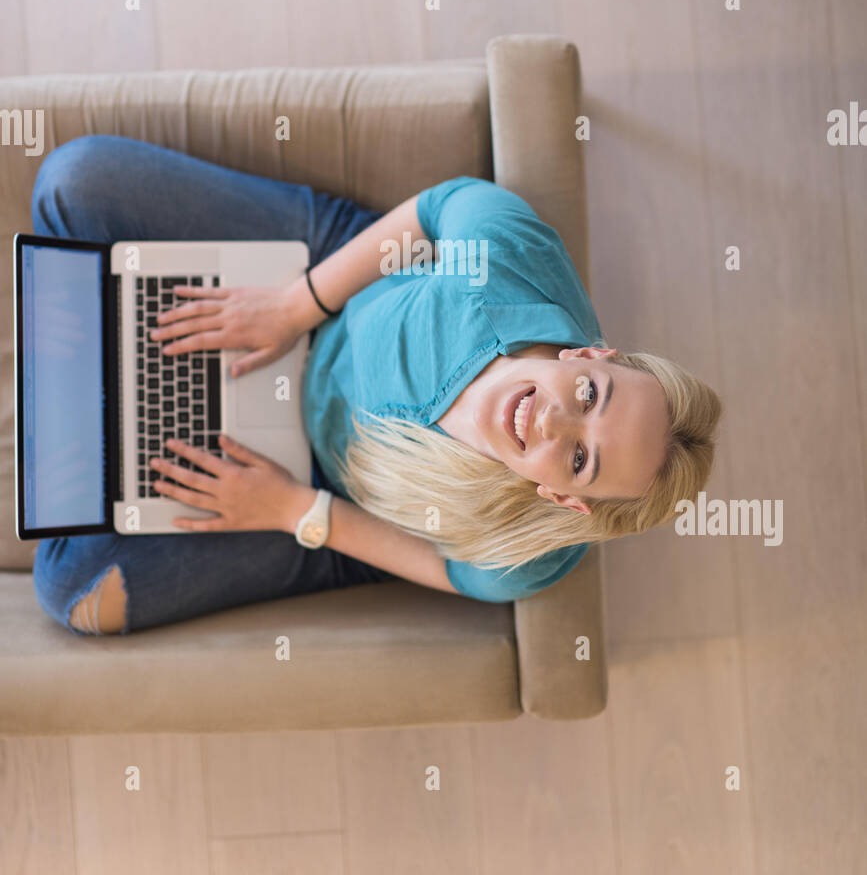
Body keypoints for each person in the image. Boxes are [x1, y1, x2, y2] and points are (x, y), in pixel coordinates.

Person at [30, 135, 721, 636]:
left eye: (579, 458)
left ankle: (101, 380)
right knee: (74, 179)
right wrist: (296, 303)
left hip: (316, 490)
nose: (550, 422)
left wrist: (287, 507)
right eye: (590, 397)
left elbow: (445, 572)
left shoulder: (528, 553)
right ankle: (102, 374)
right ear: (591, 355)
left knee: (73, 591)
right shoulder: (511, 268)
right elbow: (441, 208)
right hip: (330, 300)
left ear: (567, 499)